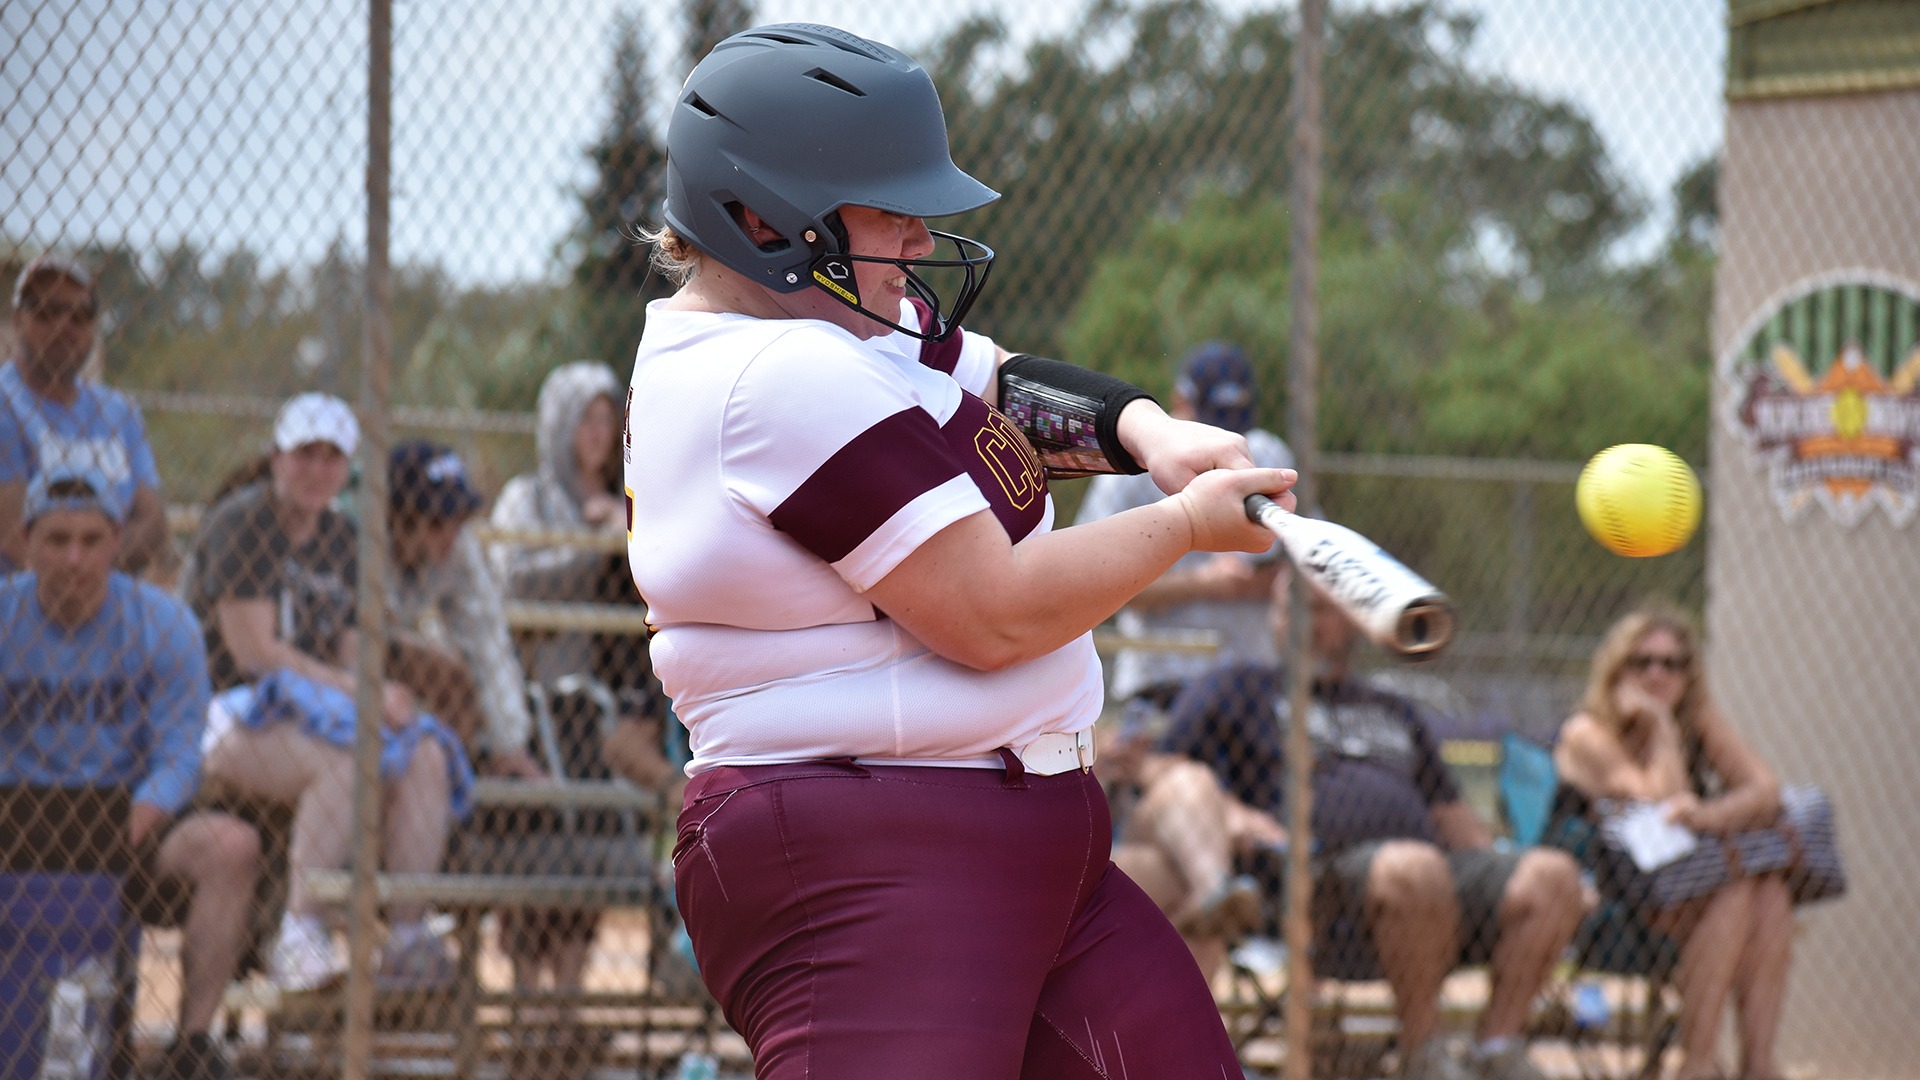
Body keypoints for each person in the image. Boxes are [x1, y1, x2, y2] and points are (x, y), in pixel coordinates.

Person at [625, 23, 1295, 1078]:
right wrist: (1181, 527)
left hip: (1014, 844)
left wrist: (1149, 434)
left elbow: (994, 380)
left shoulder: (831, 326)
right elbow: (995, 614)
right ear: (761, 219)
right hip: (873, 857)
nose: (918, 239)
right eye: (887, 208)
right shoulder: (772, 375)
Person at [1160, 566, 1585, 1080]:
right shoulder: (1237, 688)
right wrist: (1232, 814)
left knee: (1553, 875)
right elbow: (1167, 768)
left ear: (1355, 620)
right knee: (1414, 867)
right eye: (1289, 610)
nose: (1303, 624)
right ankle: (1424, 1054)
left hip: (1431, 879)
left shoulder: (1392, 707)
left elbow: (1449, 812)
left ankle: (1497, 1048)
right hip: (1311, 880)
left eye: (1320, 610)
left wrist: (1500, 865)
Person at [183, 392, 465, 992]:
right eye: (304, 454)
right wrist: (359, 693)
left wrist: (380, 693)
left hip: (314, 713)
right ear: (276, 458)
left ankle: (407, 937)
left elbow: (350, 649)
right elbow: (254, 652)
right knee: (344, 761)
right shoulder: (242, 523)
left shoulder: (343, 538)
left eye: (331, 457)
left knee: (426, 753)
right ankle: (299, 934)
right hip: (227, 714)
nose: (317, 469)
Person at [0, 466, 260, 1080]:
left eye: (91, 540)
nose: (74, 558)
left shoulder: (164, 624)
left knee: (231, 846)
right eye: (57, 539)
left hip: (129, 816)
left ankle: (192, 1045)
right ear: (27, 541)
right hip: (17, 816)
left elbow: (180, 755)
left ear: (117, 541)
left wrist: (132, 820)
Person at [488, 363, 683, 1007]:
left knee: (595, 845)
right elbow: (511, 582)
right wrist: (593, 544)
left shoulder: (628, 499)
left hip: (608, 701)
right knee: (538, 849)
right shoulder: (526, 499)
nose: (598, 432)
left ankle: (567, 1005)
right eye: (585, 418)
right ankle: (526, 1001)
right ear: (558, 424)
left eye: (607, 418)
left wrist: (624, 533)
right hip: (541, 699)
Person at [1550, 605, 1792, 1080]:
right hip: (1613, 899)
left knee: (1769, 893)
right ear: (1616, 671)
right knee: (1737, 890)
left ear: (1688, 674)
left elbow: (1766, 791)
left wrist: (1708, 816)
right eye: (1641, 663)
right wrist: (1660, 725)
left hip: (1689, 889)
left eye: (1672, 664)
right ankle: (1697, 1064)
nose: (1657, 675)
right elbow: (1662, 804)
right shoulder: (1588, 732)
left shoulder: (1697, 720)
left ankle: (1757, 1064)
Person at [1076, 341, 1296, 736]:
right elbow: (1091, 581)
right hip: (1162, 683)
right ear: (1180, 402)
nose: (1224, 437)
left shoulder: (1266, 454)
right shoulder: (1129, 469)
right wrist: (1204, 583)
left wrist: (1259, 581)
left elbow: (1301, 563)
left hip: (1253, 683)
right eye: (1213, 421)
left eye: (1234, 424)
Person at [1, 255, 171, 577]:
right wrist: (93, 567)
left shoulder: (120, 411)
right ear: (18, 320)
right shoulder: (6, 404)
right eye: (47, 312)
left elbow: (154, 526)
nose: (64, 326)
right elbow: (14, 538)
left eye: (80, 316)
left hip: (112, 597)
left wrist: (86, 572)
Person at [386, 438, 542, 779]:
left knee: (459, 682)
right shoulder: (363, 541)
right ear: (398, 519)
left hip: (393, 647)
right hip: (340, 659)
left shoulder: (458, 546)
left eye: (459, 518)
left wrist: (510, 743)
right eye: (436, 522)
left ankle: (453, 777)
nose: (451, 534)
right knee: (439, 670)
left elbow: (487, 639)